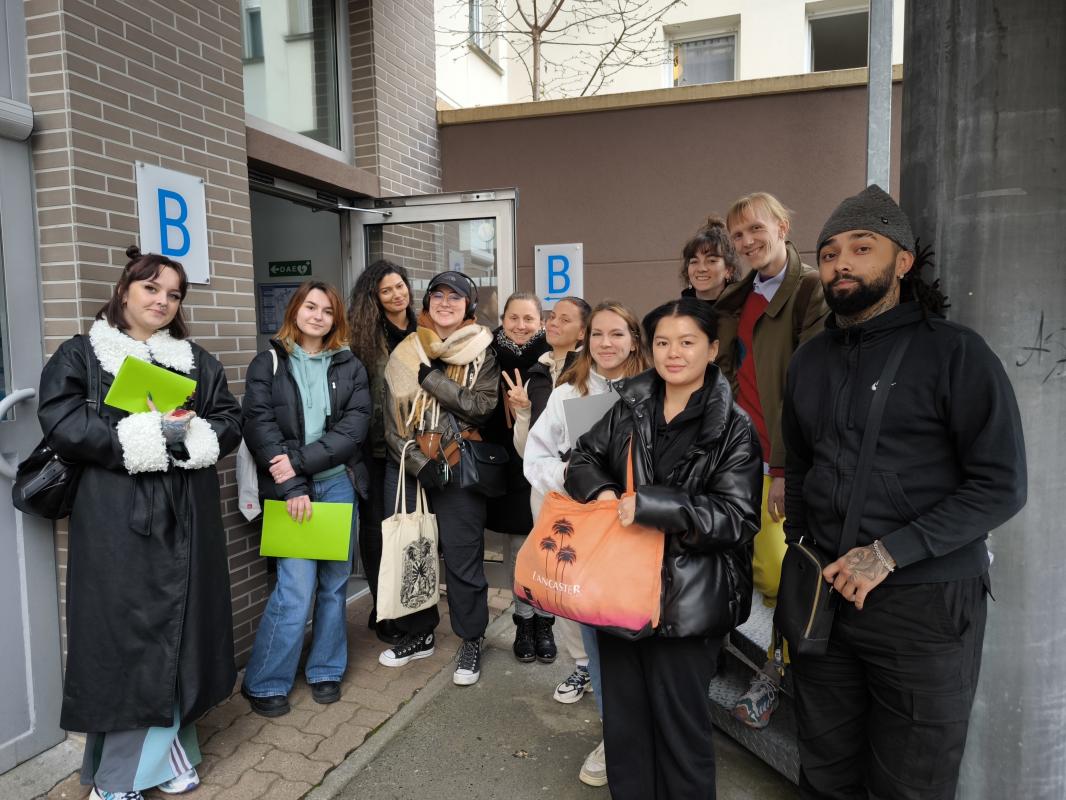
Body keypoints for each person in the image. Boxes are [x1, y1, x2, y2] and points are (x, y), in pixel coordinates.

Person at [781, 185, 1027, 799]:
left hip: (927, 606)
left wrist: (889, 552)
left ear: (903, 262)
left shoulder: (956, 353)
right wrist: (803, 553)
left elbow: (1001, 484)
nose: (842, 263)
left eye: (862, 248)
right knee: (824, 772)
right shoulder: (809, 362)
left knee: (911, 783)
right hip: (828, 602)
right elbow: (802, 468)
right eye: (830, 251)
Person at [36, 246, 242, 800]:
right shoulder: (82, 353)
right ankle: (119, 778)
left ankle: (168, 755)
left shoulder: (197, 360)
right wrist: (145, 436)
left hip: (186, 516)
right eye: (152, 289)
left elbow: (228, 421)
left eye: (173, 294)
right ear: (125, 290)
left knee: (179, 632)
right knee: (130, 640)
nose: (162, 301)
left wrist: (189, 435)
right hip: (115, 521)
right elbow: (61, 420)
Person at [565, 297, 762, 799]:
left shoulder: (733, 427)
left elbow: (736, 518)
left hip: (687, 601)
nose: (673, 353)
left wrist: (650, 507)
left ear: (713, 350)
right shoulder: (631, 404)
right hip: (621, 590)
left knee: (681, 733)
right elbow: (583, 456)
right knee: (626, 729)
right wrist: (604, 492)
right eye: (662, 342)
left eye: (687, 342)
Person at [714, 191, 829, 728]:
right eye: (738, 236)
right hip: (737, 456)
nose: (747, 242)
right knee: (739, 566)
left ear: (783, 225)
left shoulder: (809, 291)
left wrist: (784, 470)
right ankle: (763, 663)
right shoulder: (741, 296)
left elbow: (805, 392)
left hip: (777, 461)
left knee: (776, 574)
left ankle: (775, 676)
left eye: (756, 229)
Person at [524, 299, 650, 789]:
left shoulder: (657, 388)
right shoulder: (569, 393)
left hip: (648, 529)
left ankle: (650, 730)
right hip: (593, 533)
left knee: (645, 634)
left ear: (635, 339)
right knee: (599, 636)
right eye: (597, 334)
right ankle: (613, 736)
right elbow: (535, 457)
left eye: (617, 334)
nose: (607, 344)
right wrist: (581, 481)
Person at [240, 281, 371, 718]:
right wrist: (292, 484)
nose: (318, 316)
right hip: (288, 488)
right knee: (295, 589)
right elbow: (259, 424)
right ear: (295, 310)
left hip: (336, 484)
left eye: (327, 311)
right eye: (310, 307)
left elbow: (354, 428)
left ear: (336, 320)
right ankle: (266, 680)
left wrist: (297, 465)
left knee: (334, 585)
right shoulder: (269, 362)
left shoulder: (350, 365)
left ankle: (326, 669)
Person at [379, 270, 499, 686]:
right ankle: (420, 633)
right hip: (412, 466)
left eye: (455, 297)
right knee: (414, 552)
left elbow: (480, 407)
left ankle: (470, 639)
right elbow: (390, 423)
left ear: (469, 306)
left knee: (463, 560)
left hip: (458, 464)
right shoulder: (405, 351)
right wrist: (415, 462)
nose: (445, 303)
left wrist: (431, 378)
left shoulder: (484, 349)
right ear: (426, 302)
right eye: (437, 296)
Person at [347, 259, 418, 645]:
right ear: (374, 297)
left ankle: (410, 602)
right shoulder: (362, 337)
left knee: (413, 528)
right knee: (377, 531)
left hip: (417, 447)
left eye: (400, 286)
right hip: (375, 449)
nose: (396, 294)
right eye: (387, 290)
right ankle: (383, 605)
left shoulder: (424, 331)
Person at [482, 292, 554, 662]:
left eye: (528, 318)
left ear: (542, 322)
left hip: (547, 465)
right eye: (513, 318)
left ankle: (546, 622)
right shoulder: (488, 352)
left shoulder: (554, 355)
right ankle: (524, 621)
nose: (521, 325)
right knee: (519, 547)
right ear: (503, 319)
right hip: (507, 463)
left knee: (548, 548)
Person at [680, 216, 741, 303]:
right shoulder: (676, 313)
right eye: (694, 261)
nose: (701, 269)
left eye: (711, 261)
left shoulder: (746, 312)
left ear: (729, 270)